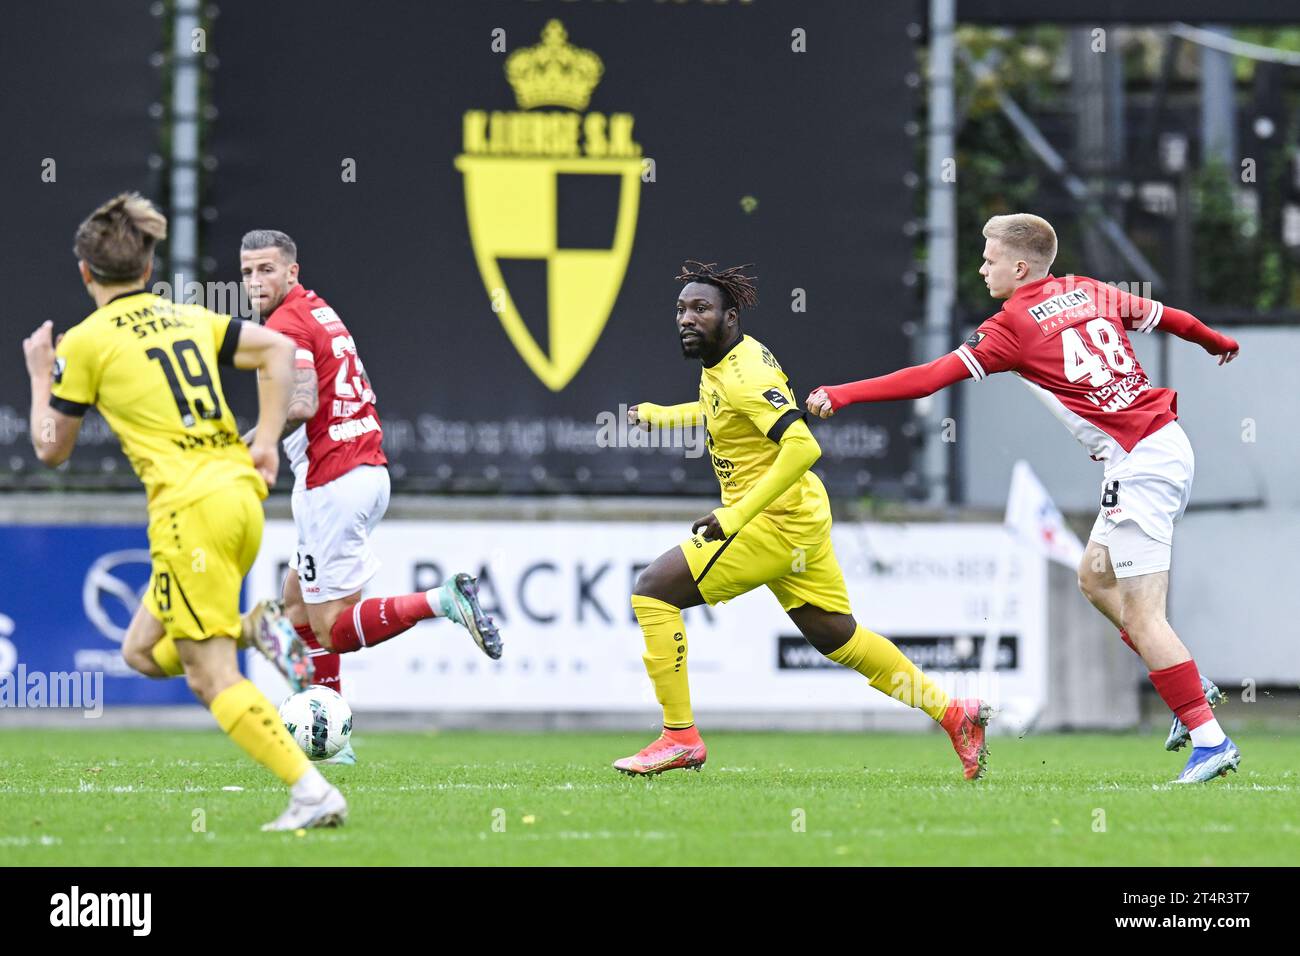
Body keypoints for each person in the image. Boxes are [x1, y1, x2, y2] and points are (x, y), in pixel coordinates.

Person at [808, 213, 1241, 784]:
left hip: (1141, 464)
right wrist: (1217, 341)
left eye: (988, 257)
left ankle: (1210, 739)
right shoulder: (1087, 290)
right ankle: (1191, 681)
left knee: (1143, 614)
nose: (981, 266)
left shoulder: (1011, 325)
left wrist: (843, 394)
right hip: (1158, 447)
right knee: (1094, 578)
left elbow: (929, 378)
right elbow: (1172, 319)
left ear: (1019, 266)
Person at [23, 192, 343, 829]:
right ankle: (260, 627)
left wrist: (40, 375)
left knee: (207, 674)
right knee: (140, 651)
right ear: (147, 271)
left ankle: (312, 792)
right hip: (240, 501)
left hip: (189, 513)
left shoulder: (84, 343)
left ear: (87, 274)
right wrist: (267, 442)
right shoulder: (188, 317)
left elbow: (50, 449)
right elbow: (277, 354)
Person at [616, 261, 992, 780]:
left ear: (730, 317)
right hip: (802, 516)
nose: (686, 318)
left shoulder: (745, 371)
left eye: (700, 309)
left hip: (768, 521)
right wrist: (663, 415)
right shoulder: (727, 363)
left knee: (653, 591)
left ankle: (679, 737)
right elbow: (723, 409)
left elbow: (801, 444)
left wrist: (736, 513)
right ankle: (956, 716)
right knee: (838, 636)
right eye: (681, 309)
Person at [238, 230, 501, 765]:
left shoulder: (285, 321)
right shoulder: (317, 310)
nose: (254, 282)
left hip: (332, 482)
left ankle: (441, 600)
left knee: (332, 628)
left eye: (266, 270)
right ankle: (330, 738)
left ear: (292, 271)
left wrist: (254, 439)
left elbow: (305, 399)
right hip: (361, 472)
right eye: (246, 272)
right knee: (296, 607)